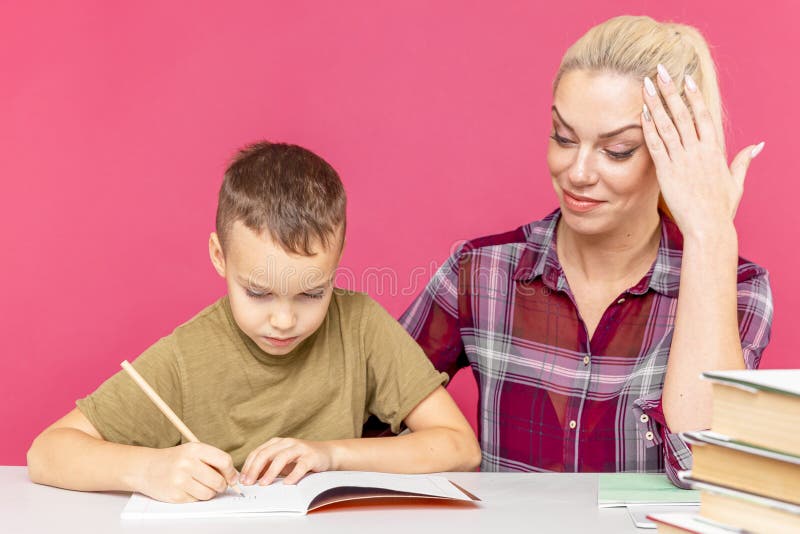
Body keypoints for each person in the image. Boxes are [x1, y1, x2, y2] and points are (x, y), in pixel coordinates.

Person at [400, 15, 773, 486]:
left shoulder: (738, 288)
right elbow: (366, 415)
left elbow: (710, 473)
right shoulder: (479, 273)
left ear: (674, 155)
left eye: (616, 150)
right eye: (564, 137)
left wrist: (710, 233)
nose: (577, 172)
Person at [27, 142, 481, 503]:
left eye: (311, 293)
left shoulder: (360, 326)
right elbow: (47, 453)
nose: (283, 320)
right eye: (259, 293)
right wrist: (150, 469)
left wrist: (330, 454)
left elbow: (460, 448)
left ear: (336, 265)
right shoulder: (188, 355)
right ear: (219, 257)